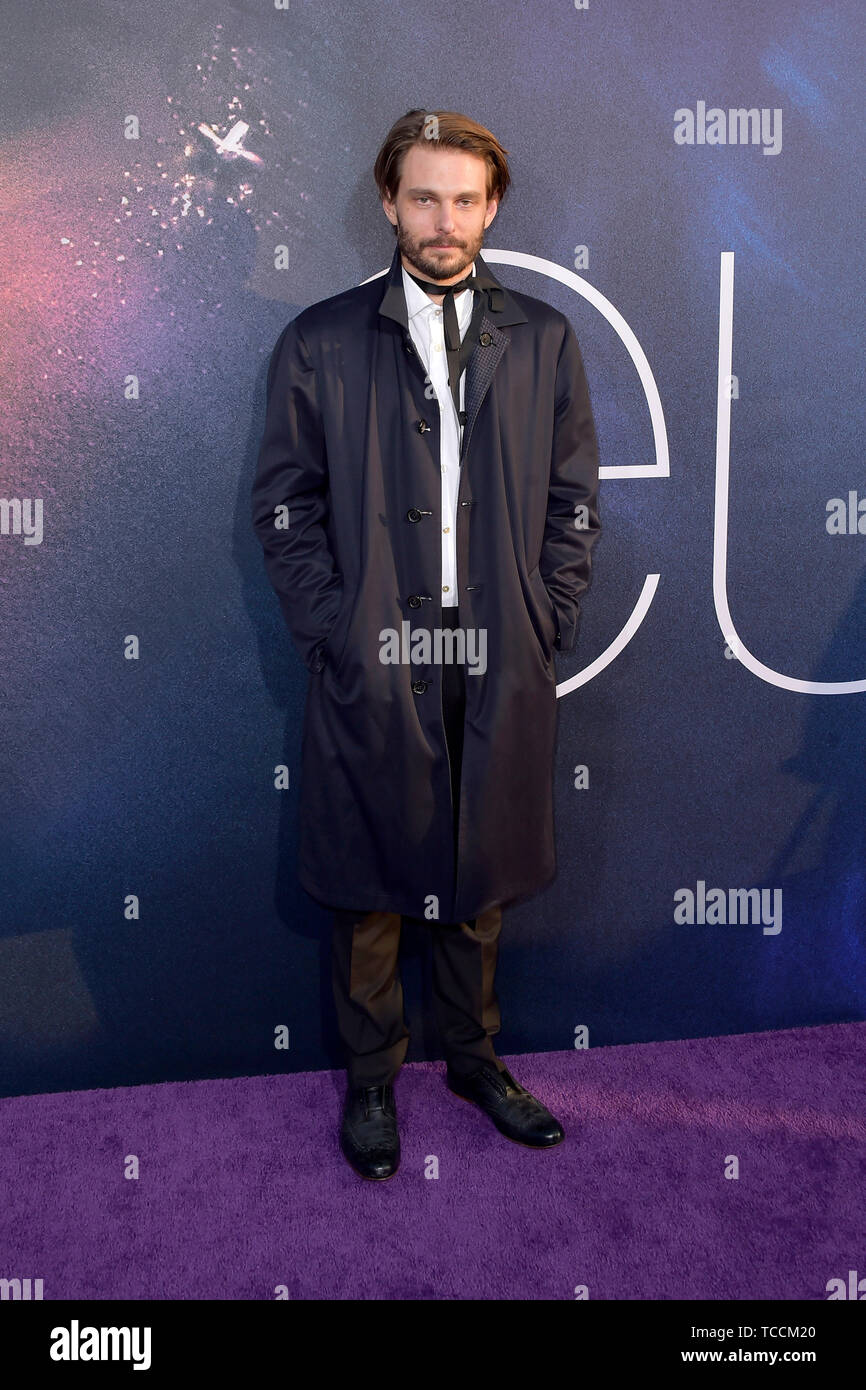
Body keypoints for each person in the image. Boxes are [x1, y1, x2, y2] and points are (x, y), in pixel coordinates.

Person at [251, 109, 601, 1180]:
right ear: (388, 203)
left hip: (499, 644)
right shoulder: (320, 340)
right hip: (377, 646)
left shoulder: (542, 338)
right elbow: (284, 506)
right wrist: (336, 632)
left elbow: (571, 499)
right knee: (370, 874)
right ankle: (370, 1080)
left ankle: (473, 1060)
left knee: (477, 866)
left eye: (462, 199)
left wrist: (545, 617)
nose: (441, 220)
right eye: (420, 197)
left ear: (489, 206)